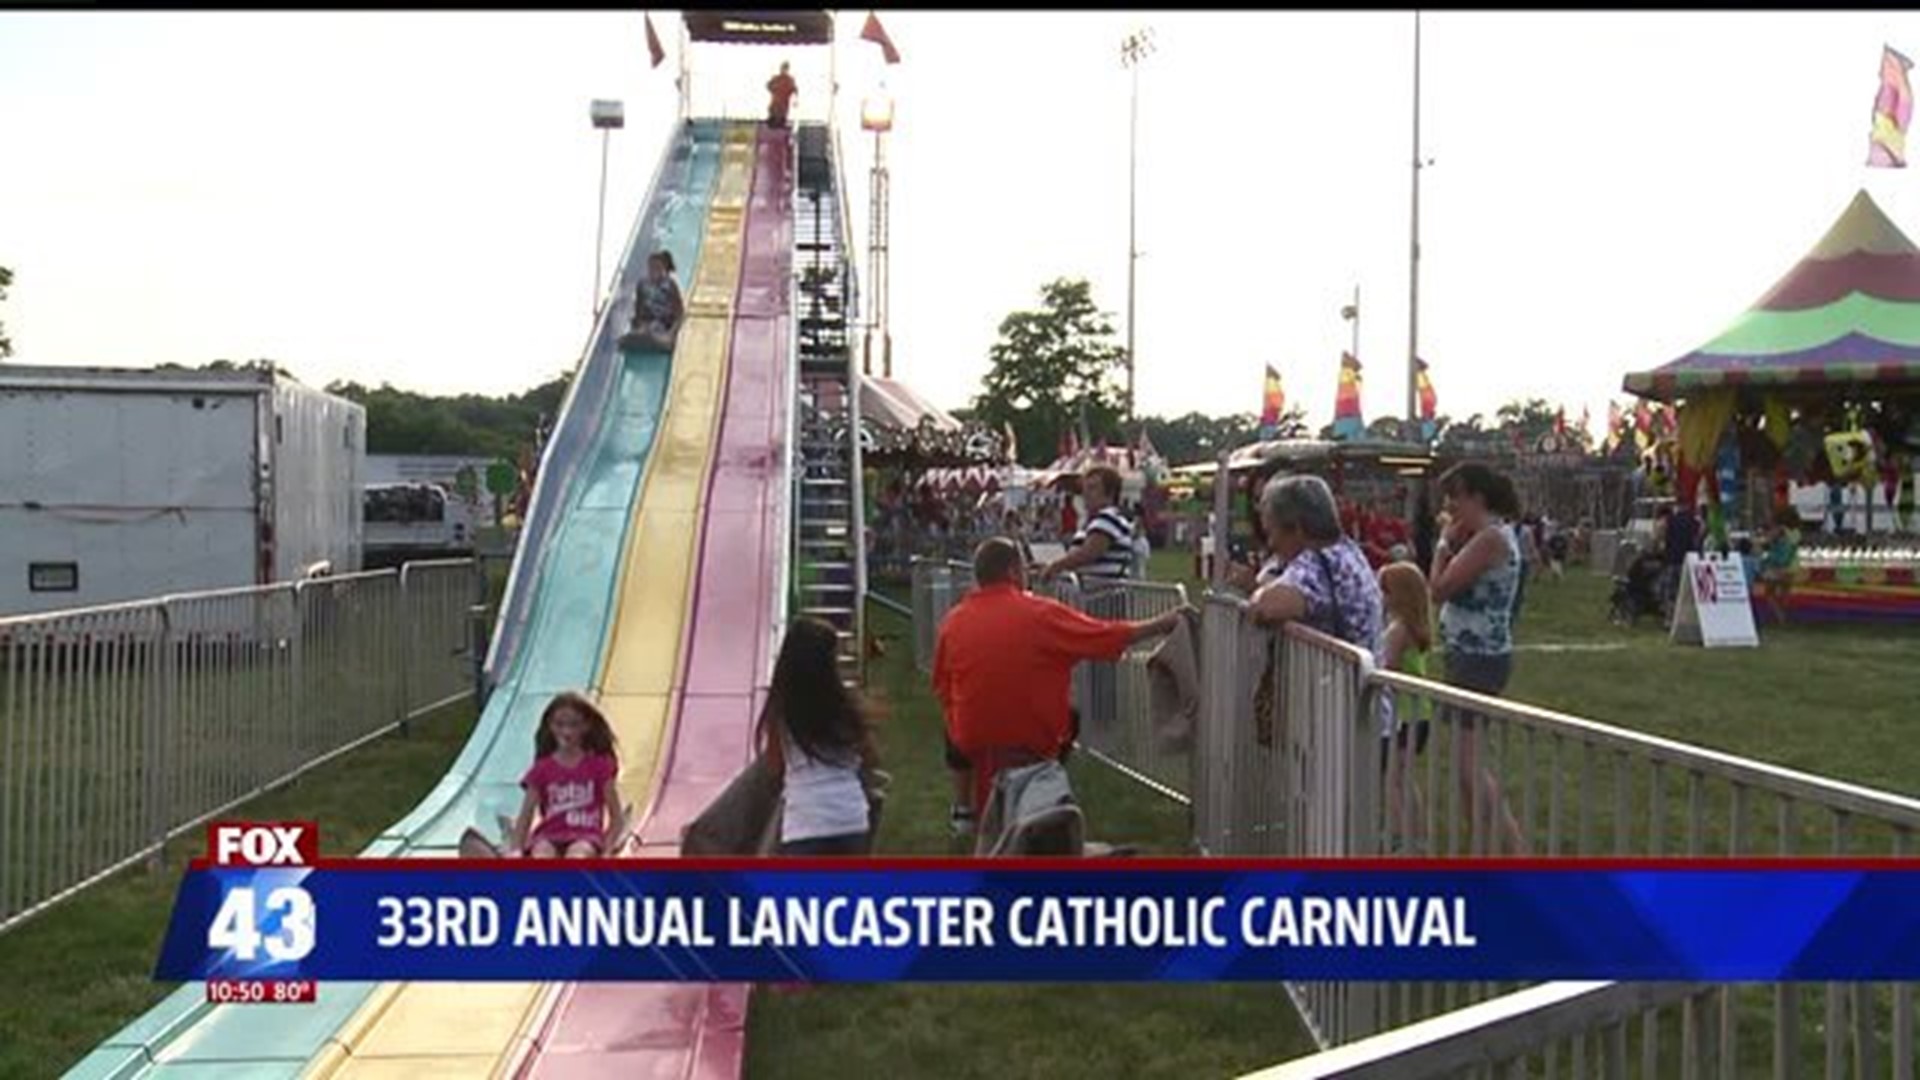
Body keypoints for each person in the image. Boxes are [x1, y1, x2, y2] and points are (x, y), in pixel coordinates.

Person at [934, 537, 1188, 822]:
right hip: (1030, 738)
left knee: (956, 717)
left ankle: (963, 813)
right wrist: (1162, 624)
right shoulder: (1041, 614)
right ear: (1013, 573)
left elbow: (943, 687)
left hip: (973, 736)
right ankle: (1044, 788)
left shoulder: (952, 622)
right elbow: (1105, 634)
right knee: (1073, 715)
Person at [1429, 462, 1527, 855]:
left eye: (1456, 497)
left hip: (1479, 659)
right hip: (1470, 655)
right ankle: (1482, 851)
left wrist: (1441, 545)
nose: (1451, 506)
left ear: (1477, 498)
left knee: (1470, 768)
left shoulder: (1490, 539)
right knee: (1464, 770)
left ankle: (1514, 851)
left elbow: (1439, 587)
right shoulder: (1490, 536)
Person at [757, 618, 879, 856]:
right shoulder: (845, 706)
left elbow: (775, 766)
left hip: (805, 823)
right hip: (850, 818)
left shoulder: (782, 710)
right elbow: (871, 757)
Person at [1247, 475, 1383, 653]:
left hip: (1336, 679)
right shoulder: (1349, 552)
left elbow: (1265, 608)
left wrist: (1255, 592)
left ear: (1297, 528)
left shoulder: (1317, 565)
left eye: (1271, 532)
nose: (1271, 544)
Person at [510, 692, 622, 858]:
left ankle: (571, 882)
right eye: (560, 725)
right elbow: (526, 815)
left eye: (574, 725)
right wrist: (516, 850)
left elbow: (616, 817)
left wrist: (607, 848)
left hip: (585, 835)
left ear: (586, 726)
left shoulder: (600, 766)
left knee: (577, 854)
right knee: (542, 854)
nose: (567, 732)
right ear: (551, 726)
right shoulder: (541, 769)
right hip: (548, 835)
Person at [1377, 561, 1434, 850]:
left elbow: (1387, 667)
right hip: (1420, 715)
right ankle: (1419, 836)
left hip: (1404, 716)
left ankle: (1400, 837)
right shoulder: (1414, 628)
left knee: (1391, 779)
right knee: (1405, 777)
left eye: (1384, 591)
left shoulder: (1398, 630)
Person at [1040, 466, 1135, 583]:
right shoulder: (1092, 522)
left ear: (1110, 493)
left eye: (1092, 488)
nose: (1085, 494)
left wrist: (1054, 567)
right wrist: (1046, 566)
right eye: (1085, 488)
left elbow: (1088, 553)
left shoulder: (1108, 518)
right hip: (1089, 596)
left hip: (1105, 596)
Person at [630, 251, 684, 349]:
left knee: (657, 329)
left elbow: (679, 314)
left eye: (657, 268)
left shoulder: (670, 285)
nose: (654, 272)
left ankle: (659, 337)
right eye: (651, 268)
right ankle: (646, 334)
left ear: (664, 270)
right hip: (648, 321)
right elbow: (638, 308)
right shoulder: (642, 284)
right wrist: (638, 324)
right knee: (647, 328)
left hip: (664, 323)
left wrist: (672, 333)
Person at [766, 62, 799, 128]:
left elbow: (795, 90)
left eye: (785, 68)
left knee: (781, 123)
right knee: (772, 122)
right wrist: (773, 89)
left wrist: (795, 101)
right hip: (774, 105)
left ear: (787, 69)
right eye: (782, 68)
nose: (783, 70)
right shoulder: (776, 78)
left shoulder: (789, 80)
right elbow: (768, 85)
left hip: (783, 107)